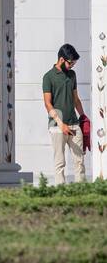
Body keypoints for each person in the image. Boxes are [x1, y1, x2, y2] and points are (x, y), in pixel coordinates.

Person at [43, 43, 86, 184]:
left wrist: (83, 117)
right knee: (60, 163)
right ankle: (61, 193)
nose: (72, 66)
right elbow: (48, 104)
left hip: (74, 124)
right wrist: (61, 124)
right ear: (62, 59)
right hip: (56, 126)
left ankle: (81, 193)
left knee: (79, 161)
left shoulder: (72, 75)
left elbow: (76, 99)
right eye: (70, 63)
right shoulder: (48, 77)